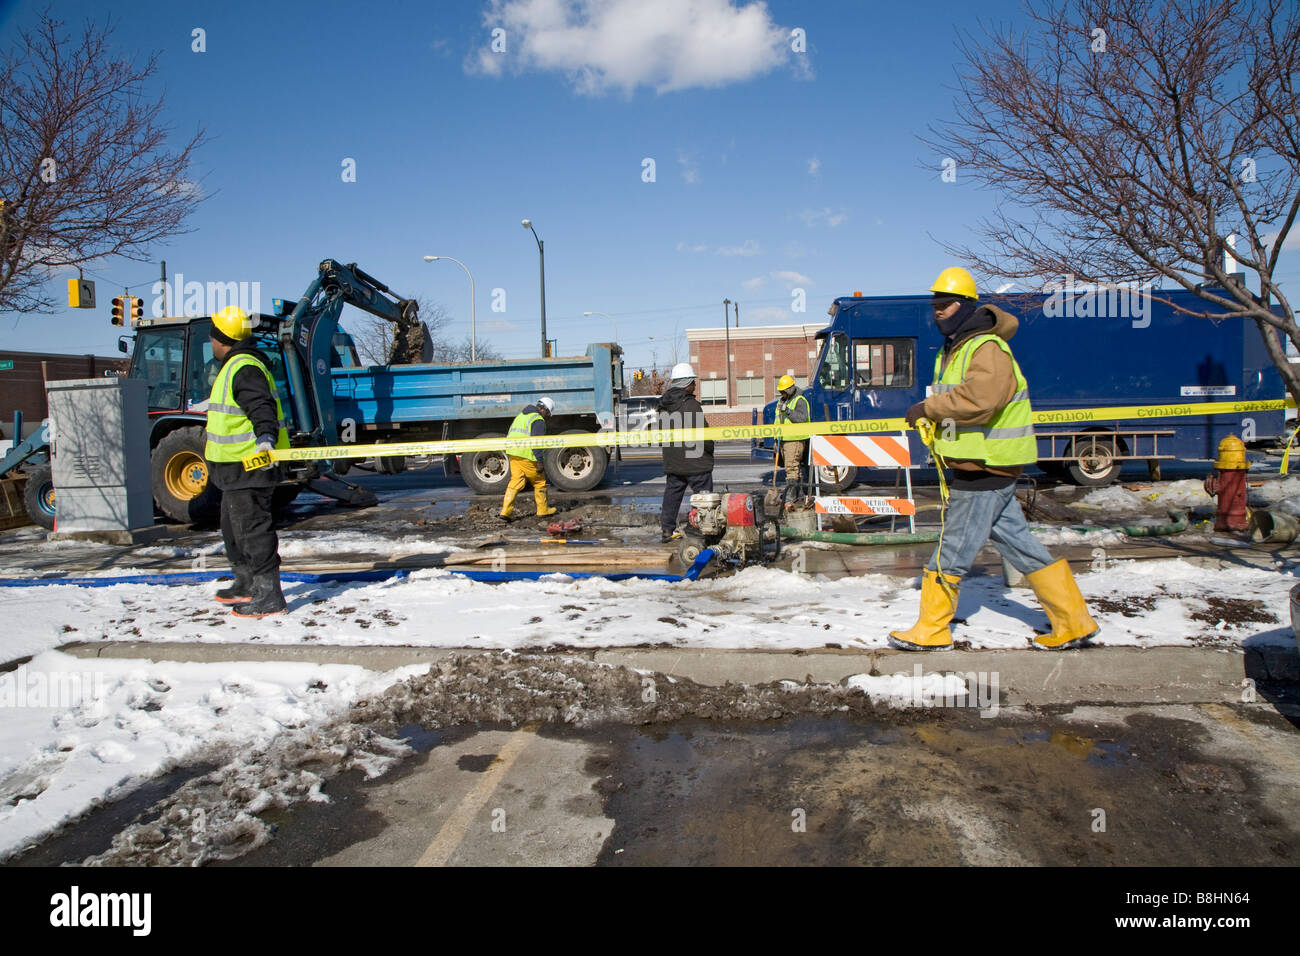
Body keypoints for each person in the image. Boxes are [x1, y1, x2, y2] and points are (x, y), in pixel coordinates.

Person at [890, 267, 1098, 652]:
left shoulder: (985, 347)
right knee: (1021, 546)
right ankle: (1074, 621)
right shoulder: (958, 346)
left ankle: (932, 630)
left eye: (945, 303)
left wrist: (928, 408)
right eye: (934, 304)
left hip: (984, 465)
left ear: (967, 306)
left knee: (952, 549)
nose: (937, 311)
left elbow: (981, 401)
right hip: (983, 462)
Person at [204, 305, 290, 618]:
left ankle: (269, 596)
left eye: (211, 337)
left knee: (253, 529)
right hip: (232, 469)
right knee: (234, 528)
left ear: (220, 338)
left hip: (249, 466)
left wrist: (265, 439)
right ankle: (245, 583)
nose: (210, 342)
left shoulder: (244, 367)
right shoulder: (234, 366)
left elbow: (261, 407)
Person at [659, 363, 715, 542]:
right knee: (704, 498)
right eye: (693, 382)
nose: (695, 386)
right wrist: (710, 450)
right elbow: (703, 434)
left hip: (674, 461)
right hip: (696, 461)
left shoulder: (664, 405)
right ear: (687, 383)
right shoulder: (691, 405)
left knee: (672, 495)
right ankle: (701, 531)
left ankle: (667, 530)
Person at [499, 397, 559, 521]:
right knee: (539, 482)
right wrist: (540, 461)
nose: (547, 416)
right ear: (544, 410)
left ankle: (506, 511)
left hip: (513, 454)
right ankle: (543, 510)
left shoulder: (522, 415)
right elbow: (536, 442)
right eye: (548, 413)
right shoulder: (538, 420)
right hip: (527, 455)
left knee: (516, 481)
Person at [775, 374, 811, 498]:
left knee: (791, 468)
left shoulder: (799, 401)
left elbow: (802, 418)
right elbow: (778, 421)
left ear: (789, 390)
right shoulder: (783, 401)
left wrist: (788, 411)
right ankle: (799, 494)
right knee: (794, 469)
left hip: (795, 439)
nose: (781, 394)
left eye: (783, 391)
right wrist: (776, 439)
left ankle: (791, 496)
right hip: (784, 439)